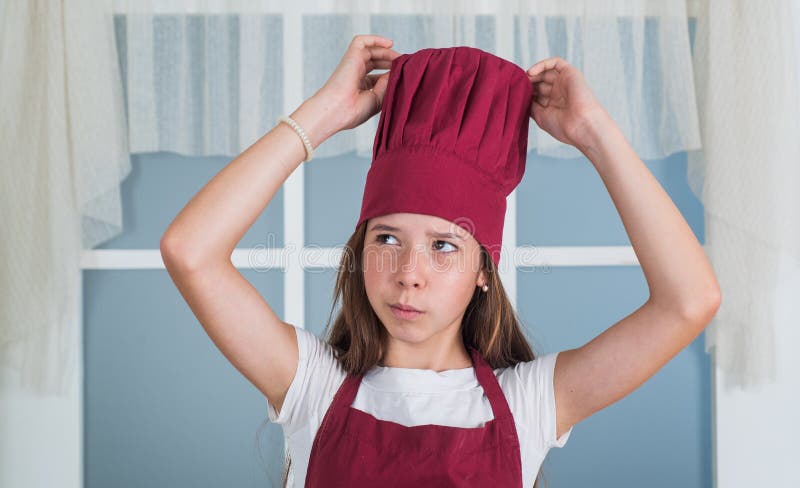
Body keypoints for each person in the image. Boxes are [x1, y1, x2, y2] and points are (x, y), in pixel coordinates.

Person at [161, 35, 721, 488]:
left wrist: (597, 134)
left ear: (484, 271)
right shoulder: (312, 387)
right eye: (386, 239)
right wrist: (322, 116)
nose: (409, 271)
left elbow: (689, 301)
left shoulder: (529, 404)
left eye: (443, 246)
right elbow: (190, 252)